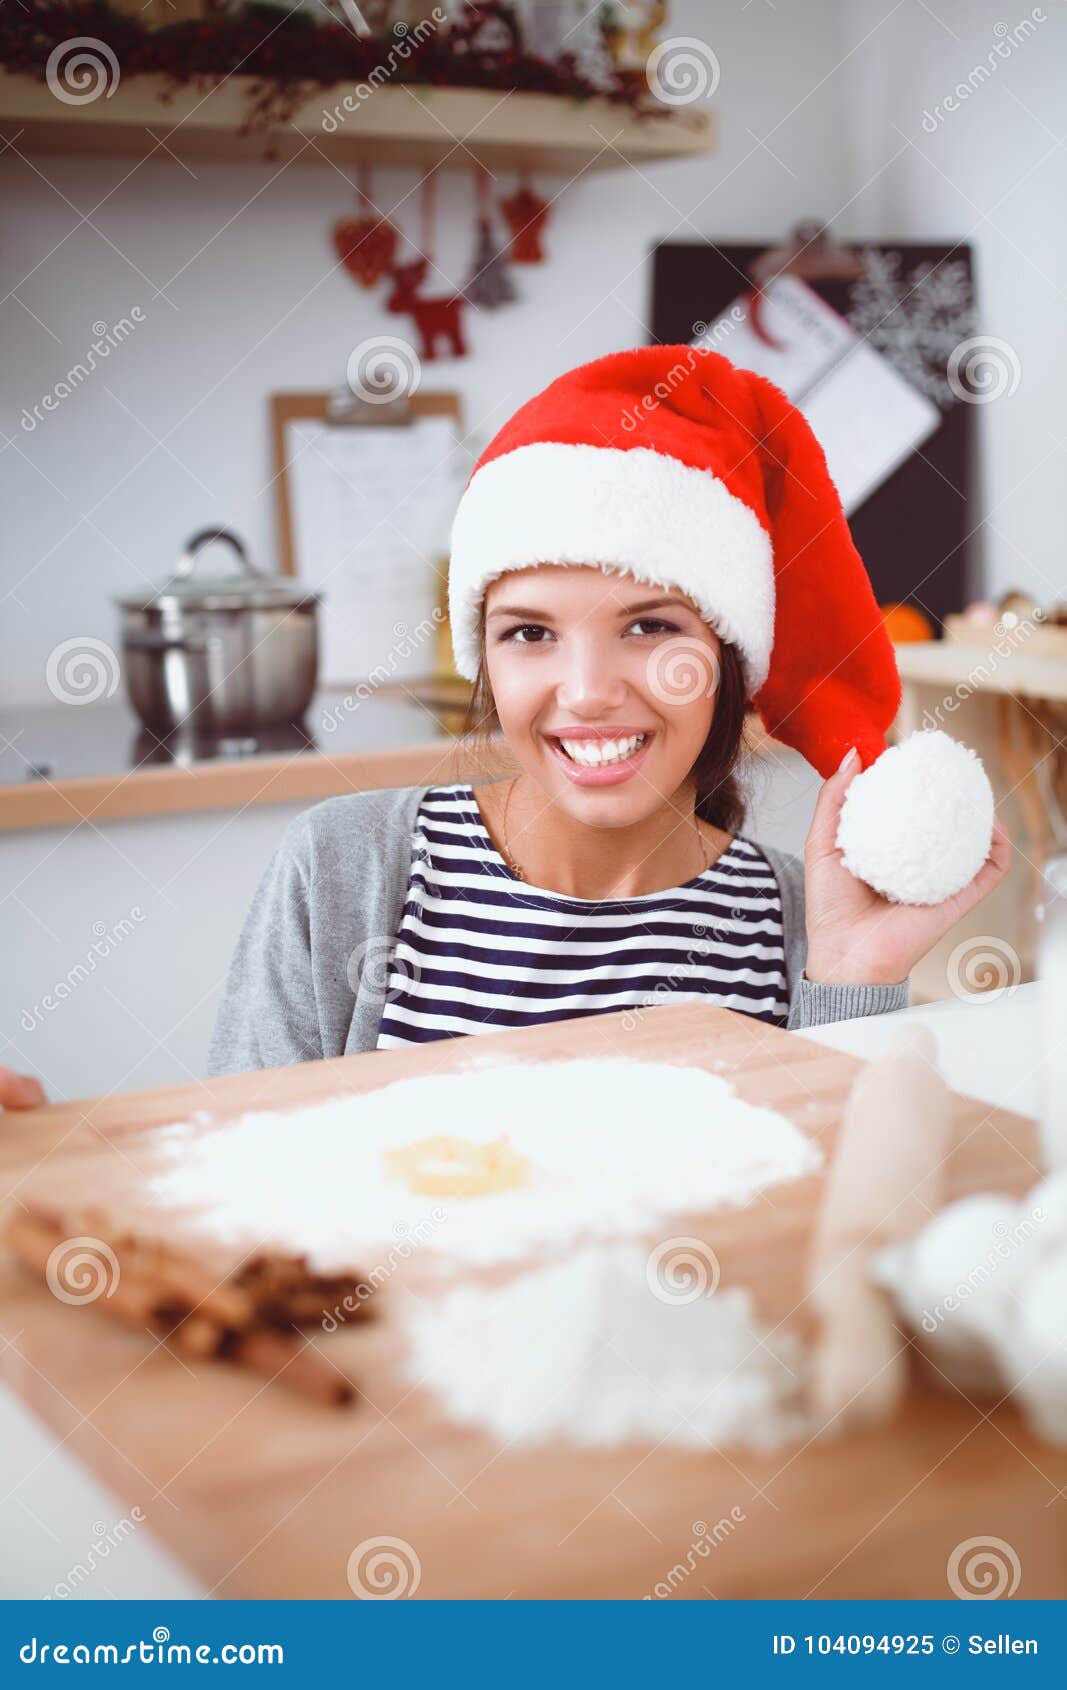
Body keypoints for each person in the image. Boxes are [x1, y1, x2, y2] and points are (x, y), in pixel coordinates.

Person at [0, 346, 1011, 1104]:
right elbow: (237, 1180)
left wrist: (853, 975)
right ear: (481, 657)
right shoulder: (350, 872)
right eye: (529, 632)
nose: (583, 691)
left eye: (648, 627)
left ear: (727, 666)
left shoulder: (793, 921)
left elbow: (835, 1233)